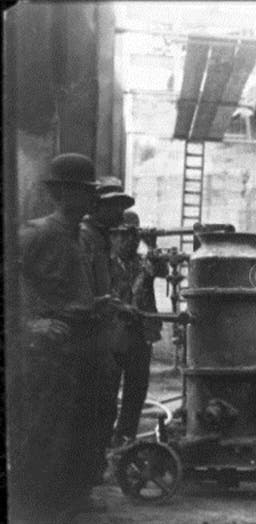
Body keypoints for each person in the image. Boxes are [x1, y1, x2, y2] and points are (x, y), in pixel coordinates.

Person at [12, 153, 101, 521]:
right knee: (44, 432)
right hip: (48, 351)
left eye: (89, 192)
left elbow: (72, 292)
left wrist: (98, 304)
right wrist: (29, 325)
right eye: (82, 192)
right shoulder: (36, 234)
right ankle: (32, 509)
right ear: (61, 193)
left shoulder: (80, 237)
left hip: (80, 346)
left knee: (79, 429)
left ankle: (66, 503)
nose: (89, 200)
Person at [79, 177, 135, 488]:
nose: (119, 214)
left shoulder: (100, 237)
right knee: (95, 405)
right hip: (90, 332)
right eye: (115, 207)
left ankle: (94, 467)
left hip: (103, 332)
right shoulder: (85, 237)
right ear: (99, 206)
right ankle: (87, 471)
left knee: (104, 403)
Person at [108, 210, 168, 446]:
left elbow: (162, 271)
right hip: (114, 334)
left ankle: (125, 439)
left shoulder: (144, 261)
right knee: (108, 390)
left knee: (136, 390)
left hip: (140, 334)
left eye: (133, 235)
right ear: (114, 237)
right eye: (123, 235)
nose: (128, 241)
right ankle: (104, 440)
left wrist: (152, 245)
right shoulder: (106, 262)